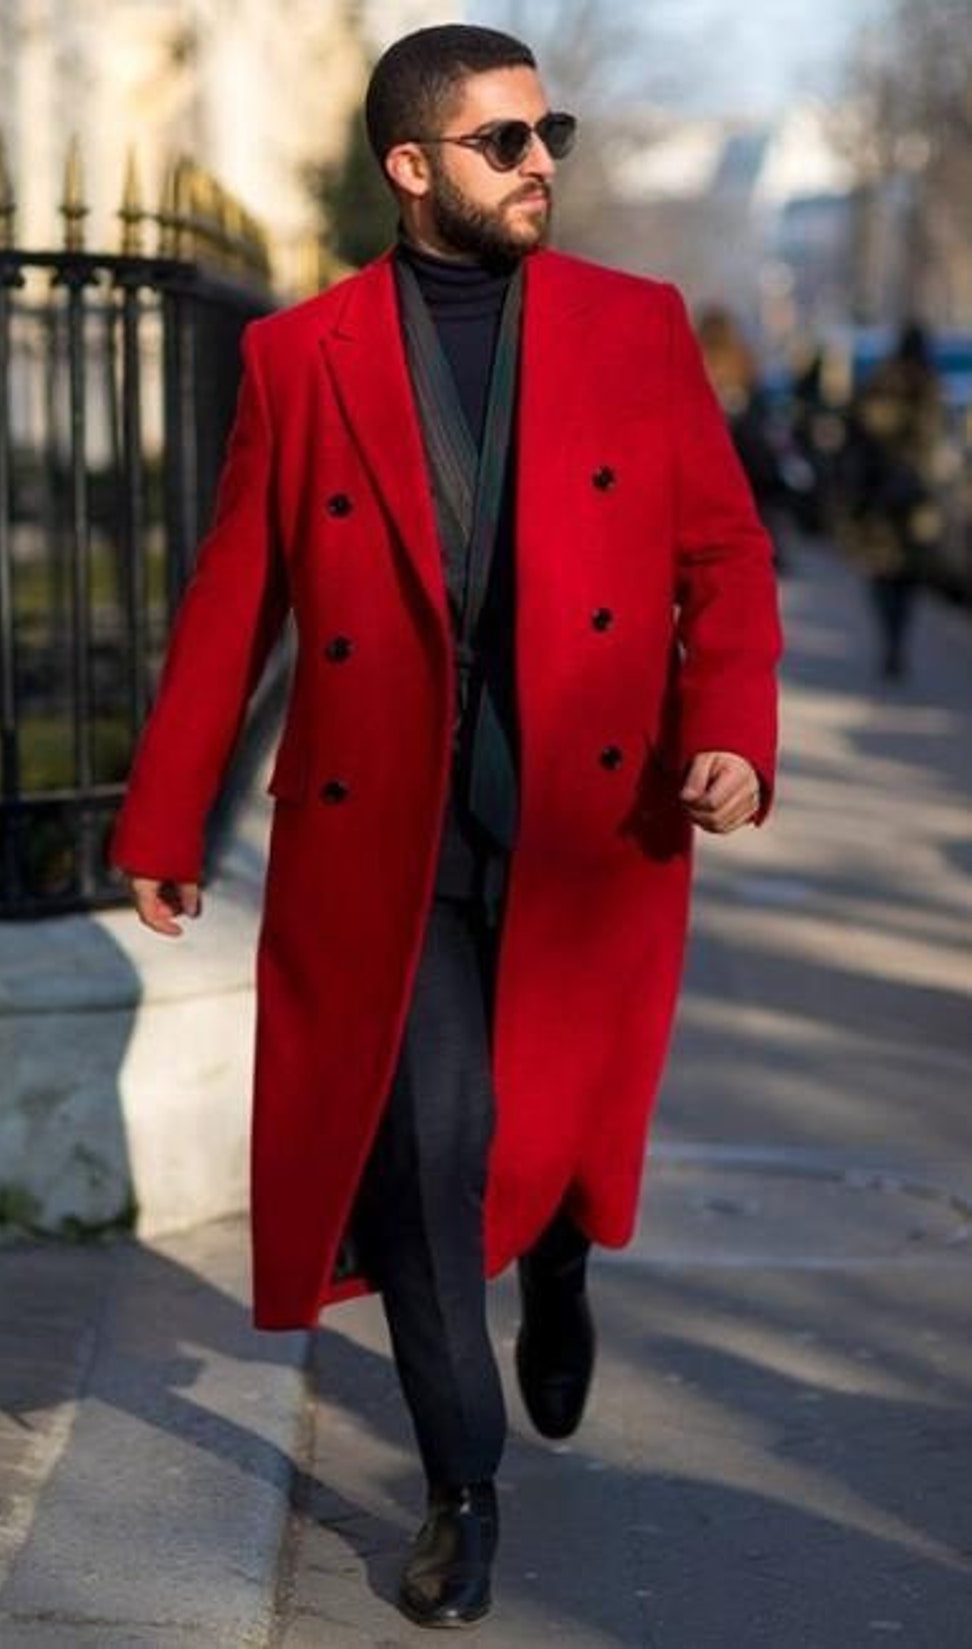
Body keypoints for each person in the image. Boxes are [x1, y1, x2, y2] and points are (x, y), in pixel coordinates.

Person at [110, 24, 781, 1629]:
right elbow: (236, 601)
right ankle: (460, 1483)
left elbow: (726, 557)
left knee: (543, 1139)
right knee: (421, 1164)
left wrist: (735, 736)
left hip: (584, 829)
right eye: (503, 141)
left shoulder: (636, 325)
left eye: (549, 128)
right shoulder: (303, 353)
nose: (542, 157)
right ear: (413, 169)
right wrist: (166, 813)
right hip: (381, 840)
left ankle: (561, 1250)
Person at [837, 321, 945, 681]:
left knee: (886, 572)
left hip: (883, 494)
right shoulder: (928, 384)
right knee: (906, 575)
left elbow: (858, 429)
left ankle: (891, 640)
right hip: (910, 494)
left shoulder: (889, 381)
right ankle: (896, 640)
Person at [695, 304, 792, 569]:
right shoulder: (743, 358)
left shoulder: (692, 354)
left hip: (708, 448)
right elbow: (759, 399)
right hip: (745, 450)